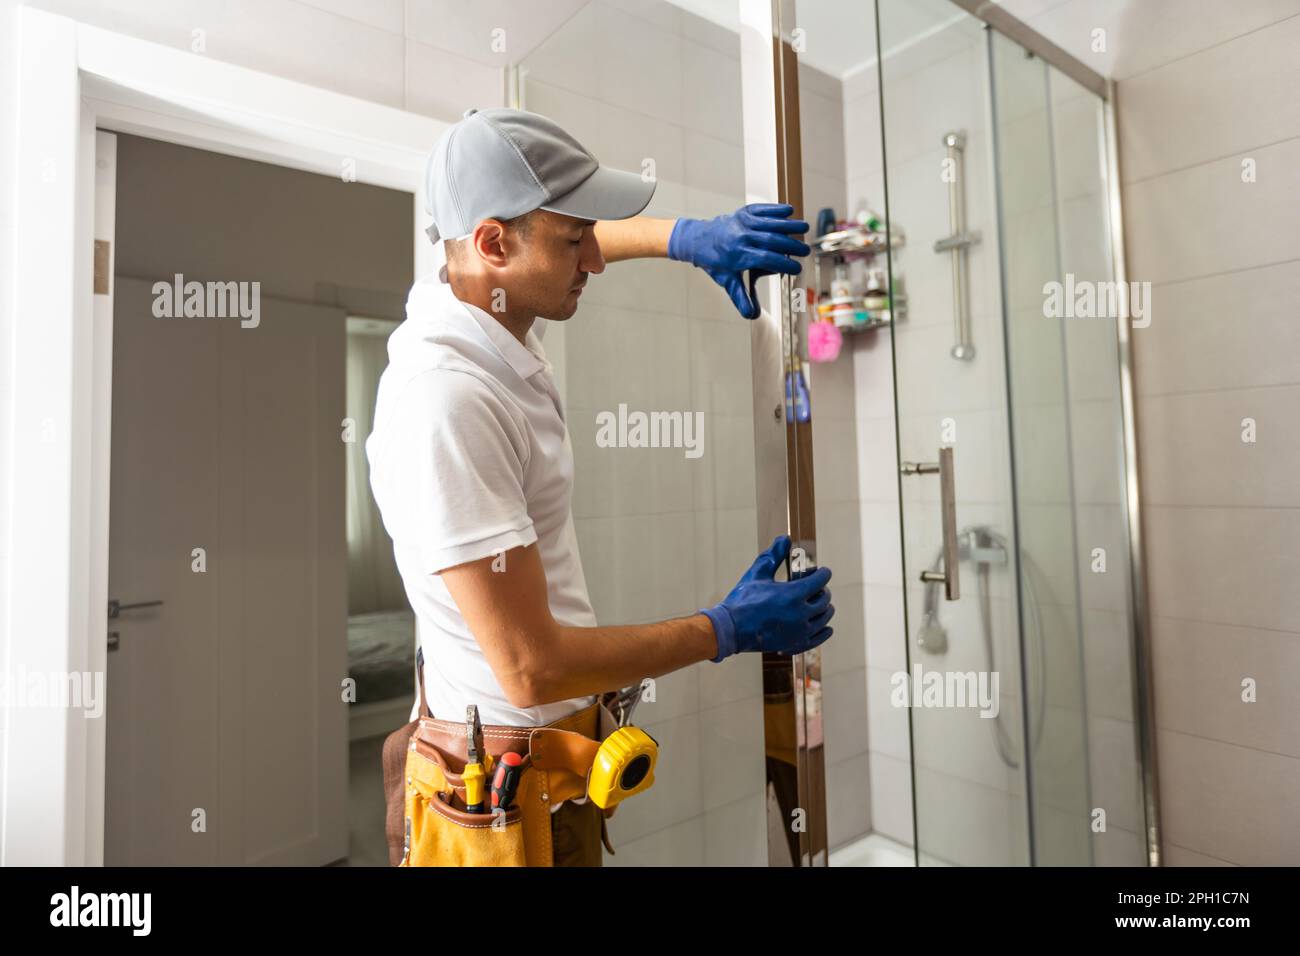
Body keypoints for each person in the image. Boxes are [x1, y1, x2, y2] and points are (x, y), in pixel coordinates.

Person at [367, 107, 834, 866]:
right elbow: (530, 667)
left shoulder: (479, 302)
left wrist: (690, 240)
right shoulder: (447, 400)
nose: (593, 261)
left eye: (588, 235)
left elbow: (556, 238)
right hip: (511, 806)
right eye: (573, 241)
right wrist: (728, 628)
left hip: (544, 776)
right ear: (492, 243)